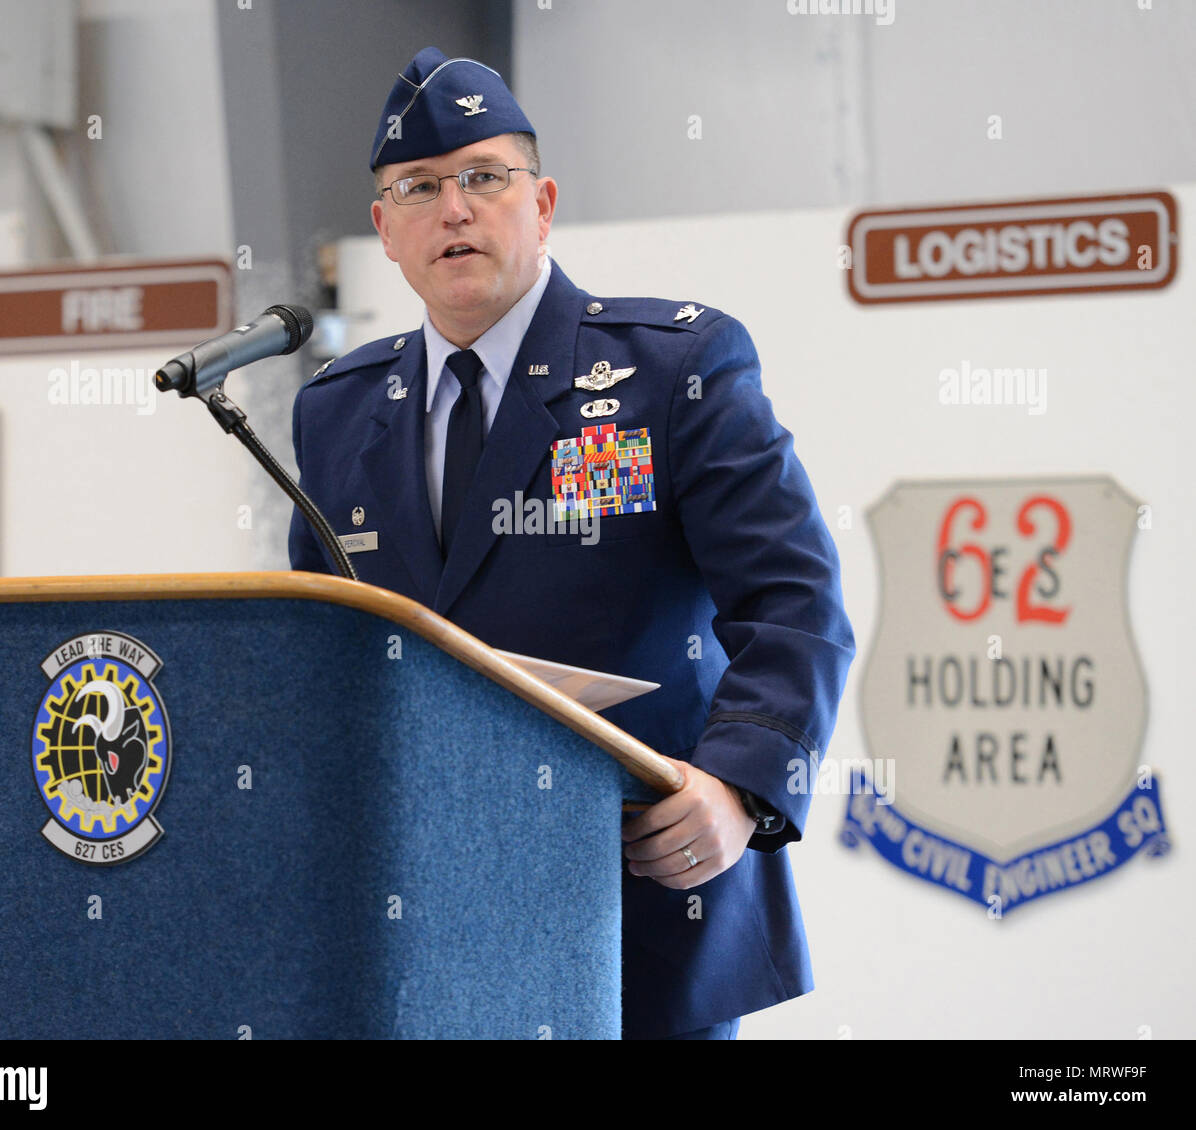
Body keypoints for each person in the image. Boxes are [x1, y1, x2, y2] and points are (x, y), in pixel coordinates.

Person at [288, 46, 855, 1040]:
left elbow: (793, 602)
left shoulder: (672, 369)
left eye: (482, 178)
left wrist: (736, 785)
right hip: (415, 913)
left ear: (542, 202)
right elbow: (318, 654)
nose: (452, 209)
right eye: (418, 188)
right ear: (383, 229)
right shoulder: (337, 412)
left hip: (633, 889)